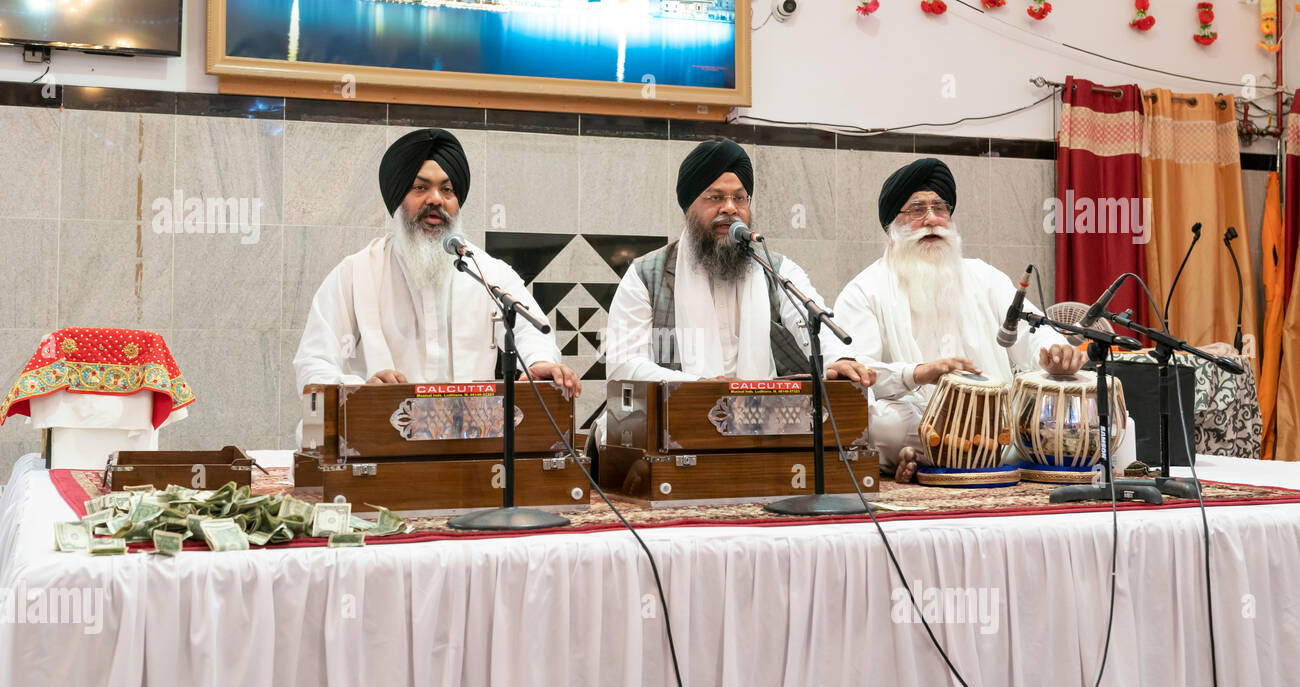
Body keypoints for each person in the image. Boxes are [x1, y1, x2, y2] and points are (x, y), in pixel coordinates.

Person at [833, 157, 1085, 482]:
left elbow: (1033, 331)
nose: (932, 220)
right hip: (918, 418)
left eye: (940, 208)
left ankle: (933, 456)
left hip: (996, 418)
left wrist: (1056, 350)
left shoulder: (985, 277)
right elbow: (855, 375)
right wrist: (918, 373)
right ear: (892, 226)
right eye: (917, 210)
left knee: (1068, 411)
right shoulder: (865, 290)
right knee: (876, 422)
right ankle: (969, 453)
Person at [292, 128, 579, 399]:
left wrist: (539, 361)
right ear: (398, 199)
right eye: (420, 188)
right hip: (381, 444)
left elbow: (532, 330)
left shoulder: (487, 273)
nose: (435, 199)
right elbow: (313, 366)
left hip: (470, 444)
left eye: (447, 190)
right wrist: (361, 389)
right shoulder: (356, 275)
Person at [603, 137, 874, 389]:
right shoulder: (646, 276)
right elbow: (623, 366)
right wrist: (697, 385)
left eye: (740, 198)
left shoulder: (776, 270)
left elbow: (812, 320)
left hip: (765, 422)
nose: (730, 208)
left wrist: (837, 358)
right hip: (677, 423)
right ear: (688, 207)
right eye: (716, 197)